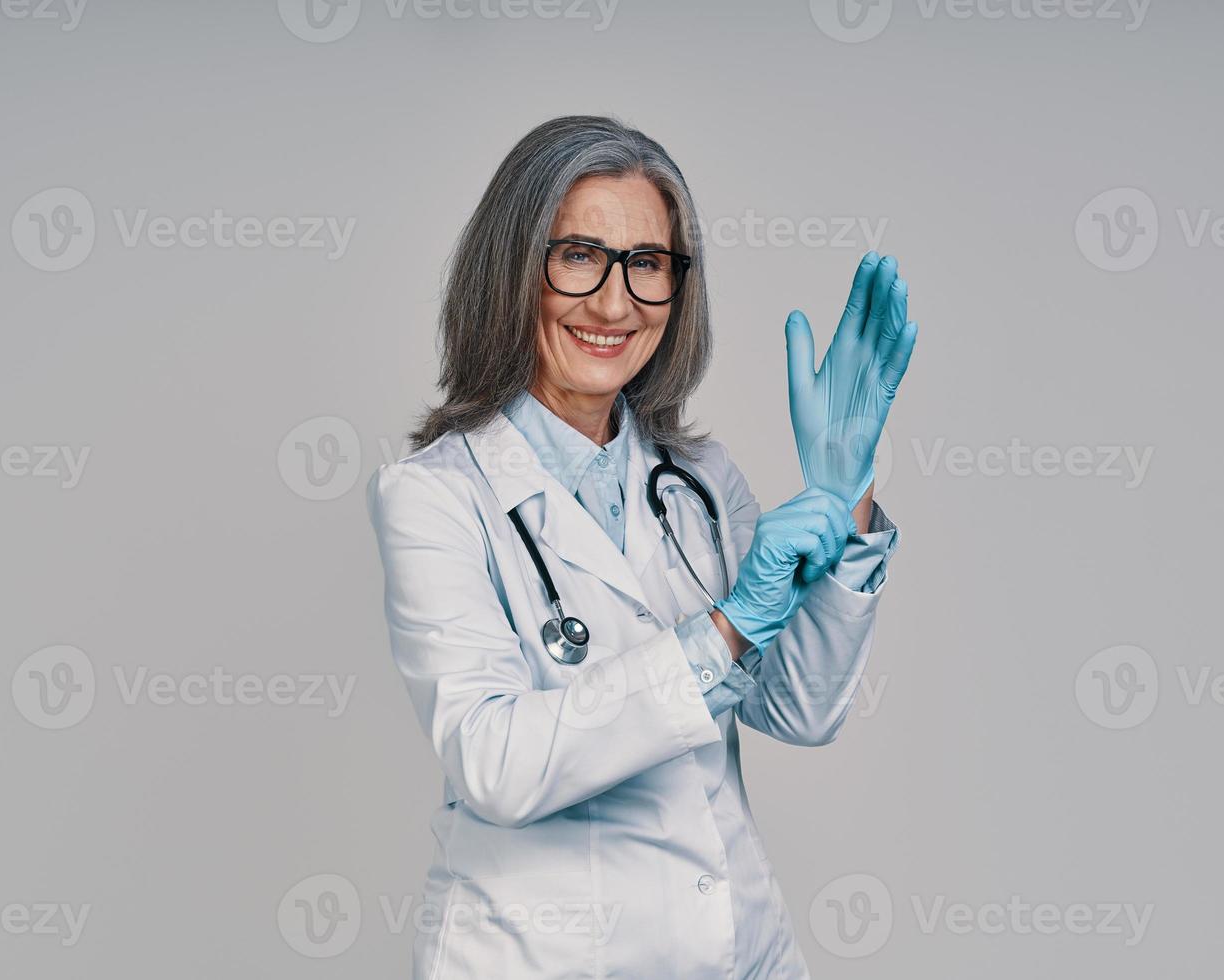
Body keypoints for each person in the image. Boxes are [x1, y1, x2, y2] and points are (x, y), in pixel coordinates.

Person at [367, 114, 917, 979]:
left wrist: (851, 505)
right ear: (513, 270)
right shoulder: (436, 496)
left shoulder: (698, 476)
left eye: (647, 265)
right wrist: (723, 634)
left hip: (738, 952)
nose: (615, 303)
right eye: (579, 255)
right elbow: (496, 762)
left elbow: (800, 710)